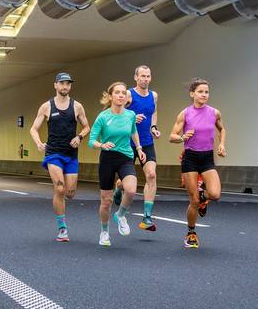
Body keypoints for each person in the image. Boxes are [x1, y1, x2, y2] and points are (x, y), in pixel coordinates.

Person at [29, 72, 90, 242]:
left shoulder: (77, 106)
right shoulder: (46, 107)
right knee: (60, 187)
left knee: (70, 193)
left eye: (68, 84)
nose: (65, 87)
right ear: (55, 85)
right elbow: (33, 128)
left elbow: (86, 127)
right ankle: (62, 227)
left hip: (71, 154)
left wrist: (79, 137)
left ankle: (62, 203)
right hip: (53, 153)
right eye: (62, 83)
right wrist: (39, 143)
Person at [169, 78, 226, 249]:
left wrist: (222, 144)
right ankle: (191, 233)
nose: (204, 95)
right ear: (192, 94)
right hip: (190, 158)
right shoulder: (185, 113)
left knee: (215, 194)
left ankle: (204, 197)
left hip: (207, 158)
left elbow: (222, 129)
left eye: (206, 92)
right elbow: (172, 136)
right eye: (200, 91)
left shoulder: (214, 113)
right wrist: (181, 138)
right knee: (193, 200)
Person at [88, 81, 146, 247]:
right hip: (107, 159)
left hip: (125, 157)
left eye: (123, 93)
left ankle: (121, 215)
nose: (121, 95)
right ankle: (104, 232)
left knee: (132, 190)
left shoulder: (130, 115)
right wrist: (102, 145)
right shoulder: (103, 117)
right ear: (111, 96)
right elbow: (91, 141)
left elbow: (133, 131)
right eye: (117, 92)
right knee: (106, 201)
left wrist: (139, 148)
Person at [113, 65, 161, 231]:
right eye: (142, 76)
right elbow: (117, 113)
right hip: (128, 143)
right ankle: (118, 187)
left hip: (146, 142)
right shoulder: (128, 95)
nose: (145, 79)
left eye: (148, 76)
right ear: (135, 77)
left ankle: (147, 217)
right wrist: (132, 118)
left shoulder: (153, 95)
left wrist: (154, 127)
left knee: (152, 175)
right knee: (125, 182)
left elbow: (153, 112)